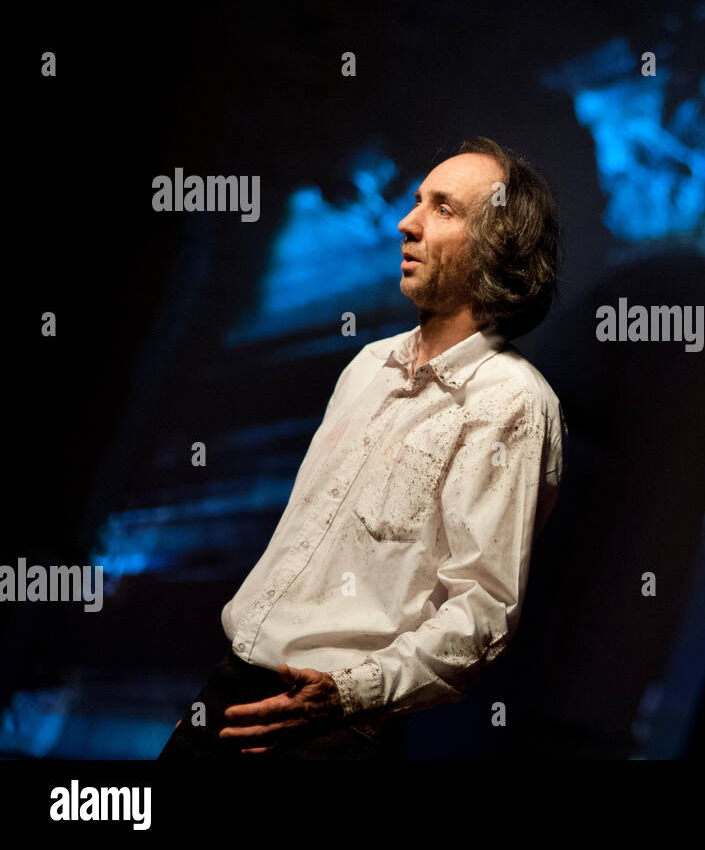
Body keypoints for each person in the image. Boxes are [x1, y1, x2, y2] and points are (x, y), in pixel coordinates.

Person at [159, 136, 565, 759]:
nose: (407, 222)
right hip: (231, 687)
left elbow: (482, 610)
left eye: (444, 209)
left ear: (499, 250)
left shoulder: (511, 399)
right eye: (416, 202)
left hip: (333, 725)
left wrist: (349, 694)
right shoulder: (369, 364)